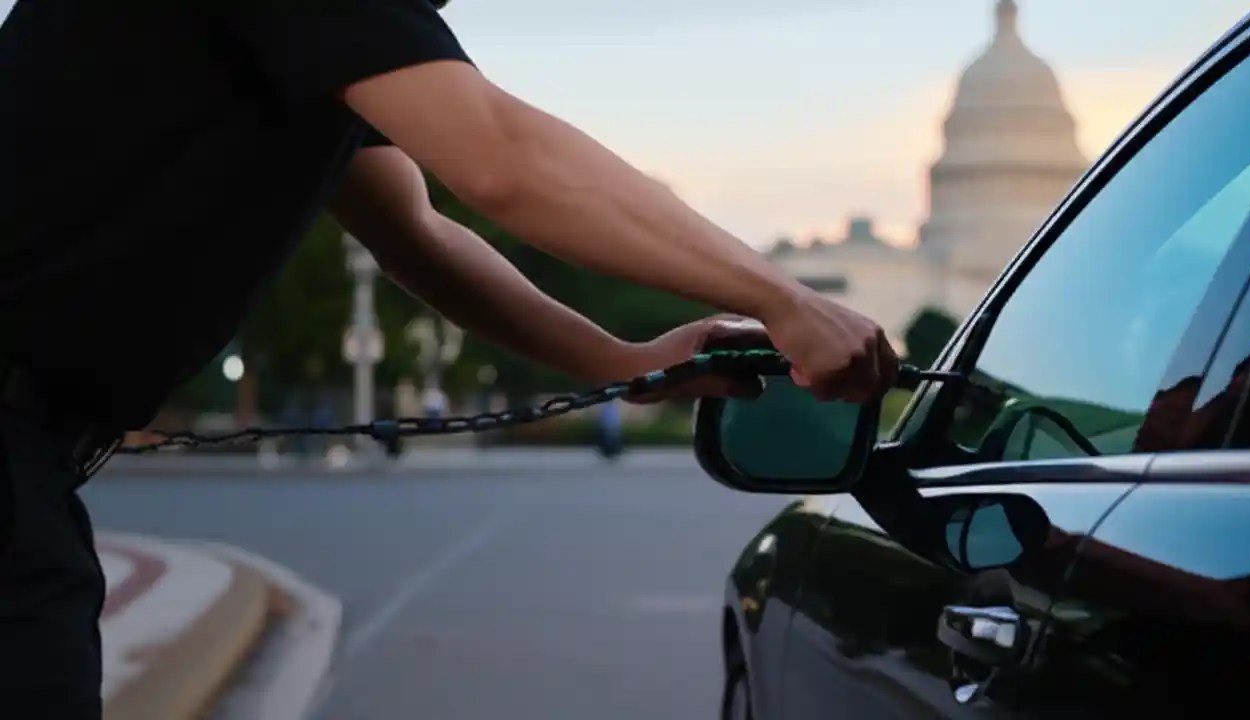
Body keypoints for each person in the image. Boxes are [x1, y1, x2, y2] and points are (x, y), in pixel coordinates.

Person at [0, 0, 899, 714]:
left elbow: (416, 232)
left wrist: (622, 361)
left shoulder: (324, 40)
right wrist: (784, 298)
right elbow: (501, 157)